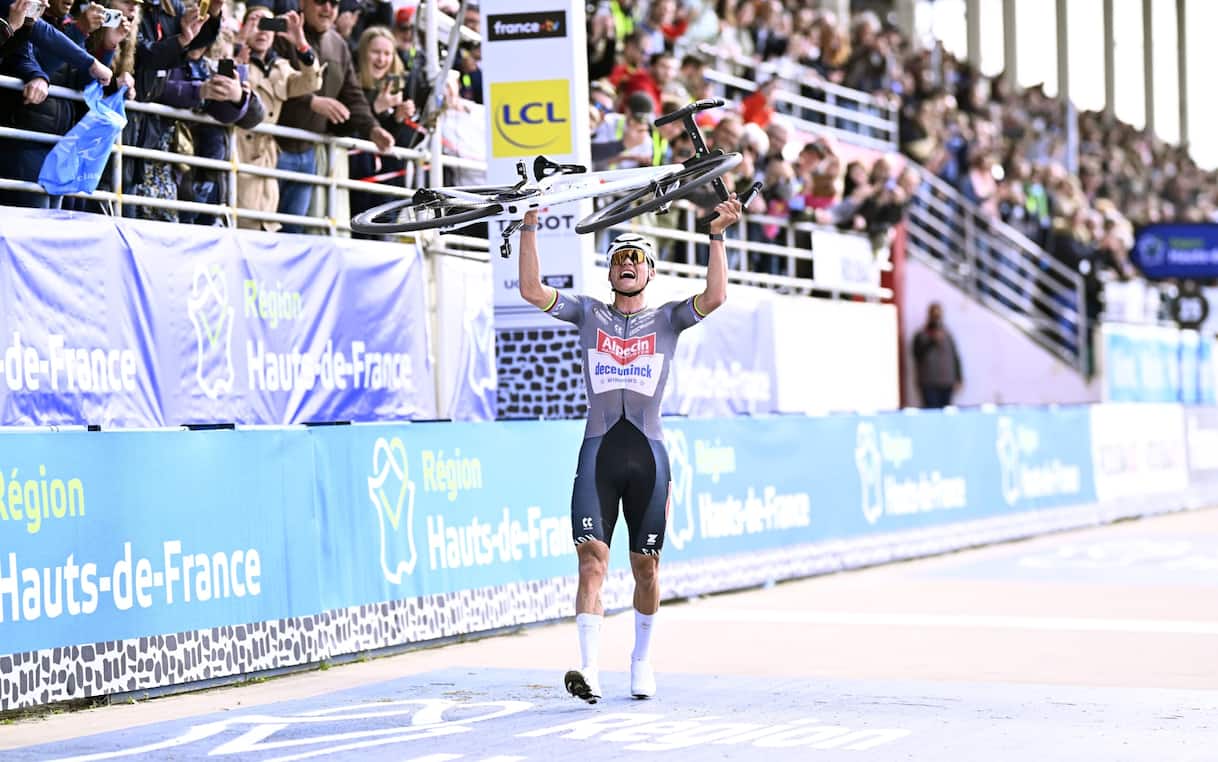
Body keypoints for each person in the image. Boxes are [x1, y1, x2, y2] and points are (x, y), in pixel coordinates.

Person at [516, 194, 744, 704]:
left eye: (635, 259)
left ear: (650, 271)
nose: (626, 265)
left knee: (646, 567)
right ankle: (590, 669)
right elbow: (531, 290)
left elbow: (716, 296)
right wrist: (529, 226)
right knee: (592, 560)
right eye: (618, 259)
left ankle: (641, 661)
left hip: (650, 458)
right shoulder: (587, 313)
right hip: (598, 452)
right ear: (609, 271)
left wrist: (717, 235)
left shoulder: (667, 319)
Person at [912, 302, 963, 409]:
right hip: (929, 383)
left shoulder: (947, 334)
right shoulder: (921, 335)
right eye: (934, 314)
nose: (936, 318)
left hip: (946, 382)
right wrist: (932, 341)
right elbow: (917, 354)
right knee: (931, 412)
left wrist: (959, 377)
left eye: (938, 314)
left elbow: (955, 356)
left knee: (946, 414)